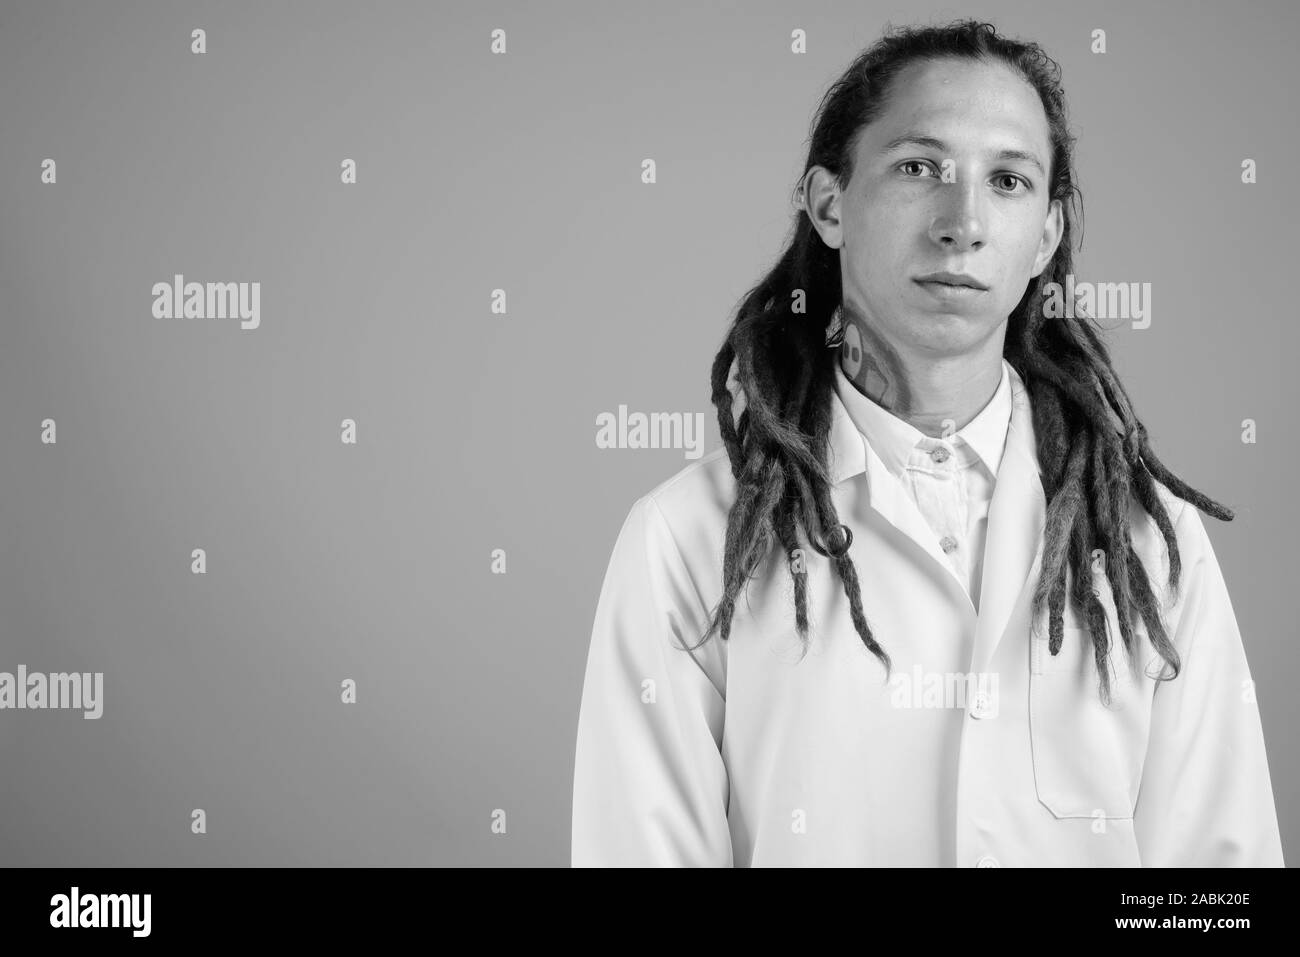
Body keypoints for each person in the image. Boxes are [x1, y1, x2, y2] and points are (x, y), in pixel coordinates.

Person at [571, 19, 1285, 867]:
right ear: (830, 204)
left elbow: (1214, 887)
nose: (964, 222)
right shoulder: (685, 540)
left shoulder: (1146, 542)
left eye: (1010, 181)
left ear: (1047, 237)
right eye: (919, 168)